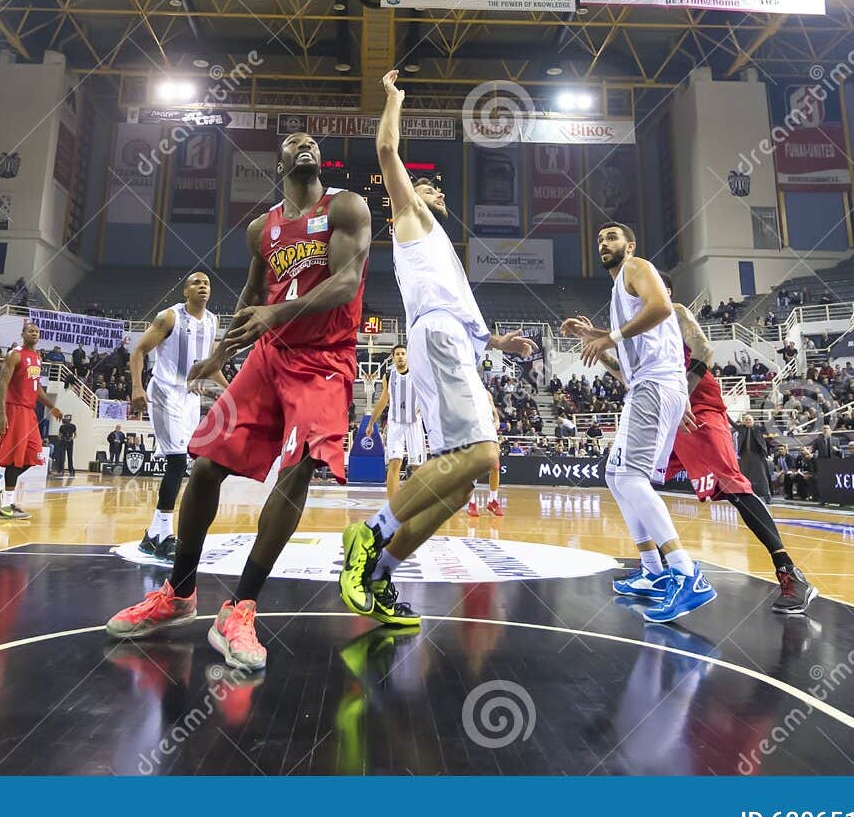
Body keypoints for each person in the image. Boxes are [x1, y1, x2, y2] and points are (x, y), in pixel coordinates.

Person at [106, 130, 372, 672]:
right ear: (278, 164)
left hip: (323, 362)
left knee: (296, 472)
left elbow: (346, 282)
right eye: (292, 140)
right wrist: (222, 351)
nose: (304, 143)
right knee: (203, 469)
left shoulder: (344, 205)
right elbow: (253, 296)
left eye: (310, 140)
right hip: (268, 358)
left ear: (318, 159)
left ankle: (241, 606)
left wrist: (277, 314)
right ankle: (179, 593)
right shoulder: (262, 228)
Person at [338, 72, 536, 628]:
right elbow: (385, 148)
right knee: (483, 456)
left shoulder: (436, 242)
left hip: (450, 340)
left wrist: (496, 339)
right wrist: (395, 100)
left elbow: (458, 308)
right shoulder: (412, 214)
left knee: (458, 483)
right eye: (429, 185)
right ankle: (369, 532)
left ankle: (380, 573)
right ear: (406, 198)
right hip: (439, 338)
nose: (438, 189)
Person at [560, 222, 716, 623]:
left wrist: (608, 337)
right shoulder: (620, 292)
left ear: (629, 245)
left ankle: (685, 572)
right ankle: (653, 570)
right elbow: (641, 330)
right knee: (617, 476)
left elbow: (662, 308)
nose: (604, 243)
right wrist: (592, 332)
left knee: (628, 477)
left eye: (612, 237)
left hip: (655, 384)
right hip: (653, 386)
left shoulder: (636, 267)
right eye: (599, 238)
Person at [661, 292, 815, 614]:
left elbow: (705, 350)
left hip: (699, 411)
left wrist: (681, 398)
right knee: (629, 478)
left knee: (734, 489)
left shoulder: (673, 312)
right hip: (671, 420)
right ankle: (656, 569)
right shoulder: (640, 331)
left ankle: (790, 573)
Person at [129, 270, 222, 561]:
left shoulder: (212, 321)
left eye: (206, 283)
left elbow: (208, 366)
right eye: (196, 283)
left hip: (189, 396)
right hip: (164, 391)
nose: (202, 287)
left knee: (189, 461)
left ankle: (153, 537)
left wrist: (232, 391)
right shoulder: (168, 317)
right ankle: (167, 536)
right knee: (177, 460)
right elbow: (139, 351)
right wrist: (137, 387)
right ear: (186, 292)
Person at [0, 321, 63, 520]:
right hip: (14, 409)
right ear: (23, 333)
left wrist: (51, 406)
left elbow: (36, 388)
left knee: (33, 455)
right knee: (15, 457)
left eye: (37, 331)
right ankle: (7, 505)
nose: (34, 334)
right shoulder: (14, 354)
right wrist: (1, 413)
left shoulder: (37, 357)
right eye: (31, 331)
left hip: (29, 411)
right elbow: (2, 383)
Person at [367, 344, 425, 501]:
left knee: (417, 466)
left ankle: (416, 502)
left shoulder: (418, 373)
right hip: (395, 423)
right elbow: (383, 400)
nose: (400, 356)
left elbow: (429, 394)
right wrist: (371, 422)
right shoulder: (388, 375)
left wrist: (424, 408)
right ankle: (391, 506)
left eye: (403, 353)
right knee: (394, 462)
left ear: (407, 356)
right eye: (397, 354)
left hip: (414, 423)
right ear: (393, 357)